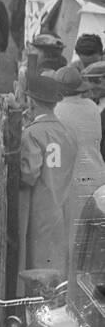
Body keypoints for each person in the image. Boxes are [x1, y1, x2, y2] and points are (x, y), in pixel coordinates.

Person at [19, 72, 79, 286]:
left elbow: (29, 174)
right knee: (60, 260)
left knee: (39, 262)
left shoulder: (32, 134)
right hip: (65, 205)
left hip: (41, 207)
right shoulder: (68, 132)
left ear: (32, 102)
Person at [53, 66, 105, 232]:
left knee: (75, 235)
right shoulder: (91, 107)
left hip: (74, 181)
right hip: (97, 174)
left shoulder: (57, 111)